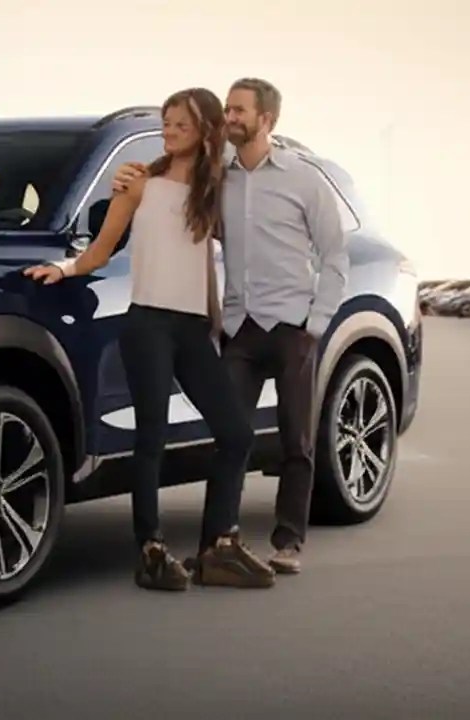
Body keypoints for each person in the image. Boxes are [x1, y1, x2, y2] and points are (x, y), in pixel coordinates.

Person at [24, 88, 275, 592]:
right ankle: (151, 550)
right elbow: (100, 251)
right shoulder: (139, 184)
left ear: (204, 130)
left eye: (181, 125)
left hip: (192, 328)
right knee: (152, 437)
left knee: (236, 433)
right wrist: (64, 269)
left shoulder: (215, 189)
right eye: (166, 123)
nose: (169, 132)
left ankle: (216, 548)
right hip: (148, 326)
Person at [113, 77, 349, 575]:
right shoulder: (217, 178)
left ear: (267, 119)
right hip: (240, 325)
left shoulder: (304, 179)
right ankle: (215, 546)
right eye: (228, 109)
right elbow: (173, 195)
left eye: (240, 110)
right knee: (232, 435)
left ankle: (288, 541)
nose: (231, 117)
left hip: (291, 323)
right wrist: (130, 178)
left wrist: (315, 323)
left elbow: (334, 255)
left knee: (295, 440)